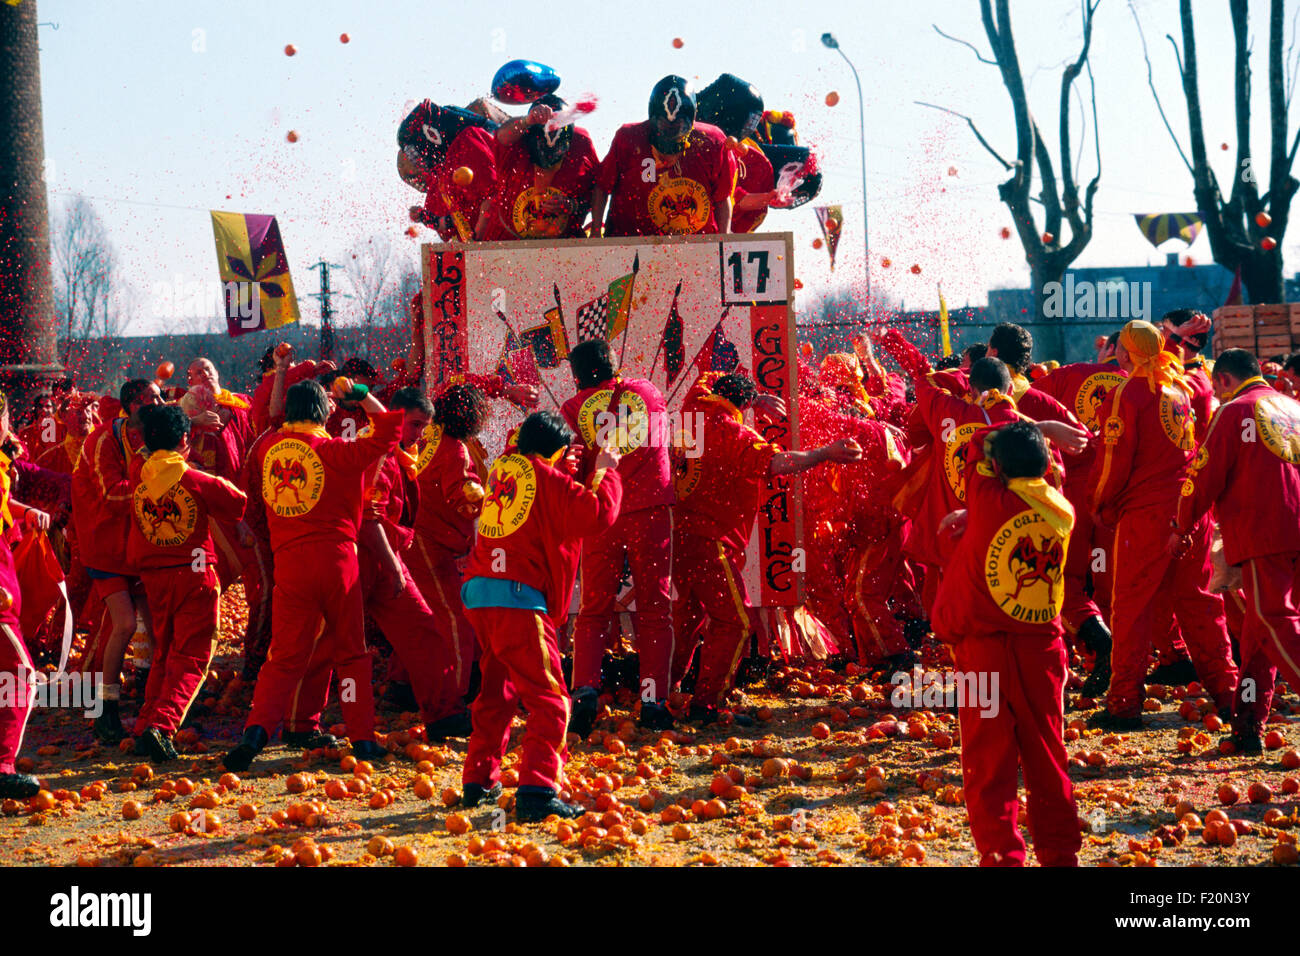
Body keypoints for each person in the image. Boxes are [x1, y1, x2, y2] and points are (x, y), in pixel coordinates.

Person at [223, 378, 401, 771]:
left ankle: (254, 734)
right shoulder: (336, 451)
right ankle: (363, 738)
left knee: (283, 659)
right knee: (352, 655)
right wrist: (364, 396)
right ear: (327, 413)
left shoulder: (266, 449)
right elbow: (388, 432)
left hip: (290, 565)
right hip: (338, 563)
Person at [459, 411, 623, 822]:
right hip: (517, 599)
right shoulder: (545, 476)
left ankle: (478, 780)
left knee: (497, 693)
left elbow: (539, 486)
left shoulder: (505, 467)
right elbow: (596, 513)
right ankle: (537, 788)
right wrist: (605, 472)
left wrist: (562, 465)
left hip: (480, 593)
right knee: (551, 701)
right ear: (555, 451)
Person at [671, 371, 862, 723]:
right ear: (741, 406)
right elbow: (777, 462)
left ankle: (663, 694)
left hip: (681, 538)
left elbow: (706, 377)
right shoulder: (732, 431)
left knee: (688, 621)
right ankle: (707, 706)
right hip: (713, 541)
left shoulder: (693, 404)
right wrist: (825, 453)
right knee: (735, 622)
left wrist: (752, 398)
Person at [932, 420, 1080, 867]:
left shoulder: (986, 497)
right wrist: (1045, 430)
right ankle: (1060, 855)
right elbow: (1027, 473)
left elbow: (977, 442)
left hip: (985, 649)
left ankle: (1001, 858)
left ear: (996, 467)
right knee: (1049, 756)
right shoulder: (1061, 508)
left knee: (989, 762)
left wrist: (1029, 428)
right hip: (1043, 649)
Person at [1087, 320, 1238, 730]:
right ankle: (1230, 695)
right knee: (1200, 603)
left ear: (1125, 353)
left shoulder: (1127, 394)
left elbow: (1114, 462)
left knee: (1131, 608)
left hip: (1147, 518)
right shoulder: (1181, 387)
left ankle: (1123, 704)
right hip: (1191, 511)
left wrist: (1100, 504)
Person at [1172, 349, 1300, 752]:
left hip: (1266, 531)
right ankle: (1247, 726)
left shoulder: (1232, 412)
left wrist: (1181, 525)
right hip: (1292, 523)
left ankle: (1248, 723)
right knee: (1258, 636)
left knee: (1274, 618)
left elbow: (1203, 474)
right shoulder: (1291, 406)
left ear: (1223, 380)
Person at [560, 340, 676, 732]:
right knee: (655, 609)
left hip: (602, 513)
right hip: (650, 512)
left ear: (576, 378)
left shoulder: (573, 409)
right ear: (614, 365)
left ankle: (584, 692)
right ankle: (652, 700)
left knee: (592, 608)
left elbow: (571, 468)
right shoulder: (648, 392)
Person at [126, 405, 246, 763]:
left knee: (165, 652)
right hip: (193, 575)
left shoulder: (138, 471)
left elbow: (143, 450)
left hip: (155, 578)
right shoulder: (194, 480)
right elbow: (236, 504)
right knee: (193, 655)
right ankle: (162, 727)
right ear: (185, 440)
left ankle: (144, 724)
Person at [71, 379, 164, 743]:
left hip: (138, 543)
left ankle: (155, 709)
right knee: (124, 624)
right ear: (133, 405)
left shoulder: (150, 435)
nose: (161, 401)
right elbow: (111, 495)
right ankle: (105, 710)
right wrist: (156, 488)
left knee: (157, 628)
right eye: (153, 397)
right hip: (105, 545)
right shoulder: (102, 441)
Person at [591, 75, 736, 238]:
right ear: (652, 118)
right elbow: (602, 186)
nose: (670, 131)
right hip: (631, 243)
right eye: (664, 125)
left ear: (691, 120)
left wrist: (724, 241)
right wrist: (596, 232)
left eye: (677, 126)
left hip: (696, 246)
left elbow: (722, 198)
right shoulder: (628, 139)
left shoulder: (712, 143)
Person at [478, 94, 600, 241]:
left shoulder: (582, 143)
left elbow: (598, 192)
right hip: (506, 244)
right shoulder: (516, 138)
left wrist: (571, 206)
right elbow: (502, 134)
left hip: (565, 249)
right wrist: (527, 120)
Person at [695, 73, 776, 233]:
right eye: (749, 122)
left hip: (705, 240)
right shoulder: (676, 140)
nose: (750, 128)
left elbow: (732, 197)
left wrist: (767, 198)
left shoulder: (733, 153)